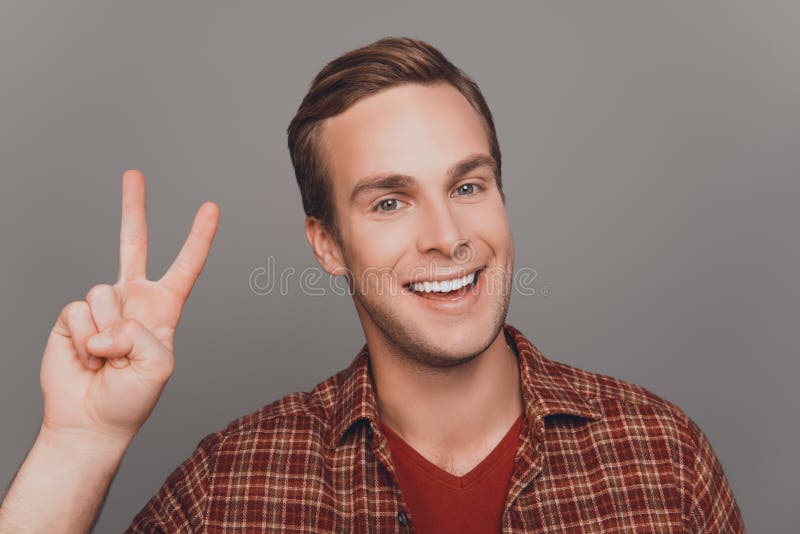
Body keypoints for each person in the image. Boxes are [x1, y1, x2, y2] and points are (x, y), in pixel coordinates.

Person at [0, 36, 744, 533]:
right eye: (389, 201)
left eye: (469, 185)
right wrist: (80, 443)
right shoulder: (231, 487)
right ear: (328, 244)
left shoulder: (662, 458)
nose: (447, 235)